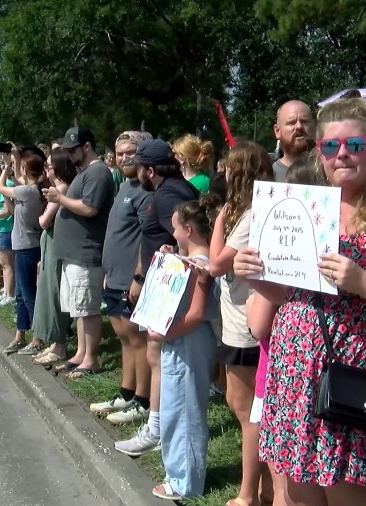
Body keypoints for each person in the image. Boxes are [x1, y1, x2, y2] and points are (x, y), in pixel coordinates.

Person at [233, 97, 366, 505]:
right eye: (330, 147)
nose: (342, 154)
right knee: (299, 498)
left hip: (355, 376)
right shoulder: (307, 210)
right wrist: (255, 276)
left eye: (354, 146)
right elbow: (291, 298)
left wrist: (363, 283)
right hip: (294, 374)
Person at [115, 139, 200, 457]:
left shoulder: (169, 195)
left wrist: (179, 257)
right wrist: (139, 278)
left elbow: (191, 238)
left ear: (150, 169)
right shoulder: (168, 191)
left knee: (160, 356)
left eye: (138, 166)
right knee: (158, 355)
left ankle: (158, 428)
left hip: (172, 287)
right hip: (162, 283)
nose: (135, 171)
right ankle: (159, 426)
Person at [206, 141, 275, 506]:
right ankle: (260, 488)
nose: (223, 173)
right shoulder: (249, 211)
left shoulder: (251, 215)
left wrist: (220, 217)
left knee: (247, 409)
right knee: (241, 403)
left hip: (247, 324)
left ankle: (249, 494)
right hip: (237, 320)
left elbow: (217, 263)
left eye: (229, 168)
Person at [147, 197, 220, 501]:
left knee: (185, 408)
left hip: (188, 340)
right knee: (176, 403)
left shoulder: (199, 266)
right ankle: (180, 470)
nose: (172, 234)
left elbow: (197, 313)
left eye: (175, 229)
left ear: (188, 229)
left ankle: (185, 480)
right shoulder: (194, 260)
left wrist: (164, 333)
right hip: (183, 339)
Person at [89, 131, 154, 424]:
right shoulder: (123, 187)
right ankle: (127, 393)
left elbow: (148, 238)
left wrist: (138, 278)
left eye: (131, 152)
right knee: (124, 339)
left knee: (137, 339)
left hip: (132, 281)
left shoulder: (145, 191)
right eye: (120, 152)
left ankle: (143, 400)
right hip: (113, 278)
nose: (124, 157)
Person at [43, 127, 115, 378]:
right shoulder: (86, 172)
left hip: (86, 253)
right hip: (73, 254)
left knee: (88, 308)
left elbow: (89, 208)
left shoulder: (97, 172)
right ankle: (81, 354)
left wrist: (59, 199)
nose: (70, 154)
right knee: (78, 308)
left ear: (87, 147)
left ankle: (91, 359)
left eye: (73, 149)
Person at [0, 152, 48, 354]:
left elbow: (1, 186)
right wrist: (15, 161)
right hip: (22, 245)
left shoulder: (29, 190)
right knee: (20, 294)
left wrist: (4, 170)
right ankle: (20, 334)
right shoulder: (31, 190)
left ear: (27, 170)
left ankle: (38, 338)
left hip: (28, 247)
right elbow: (11, 208)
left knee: (29, 295)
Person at [29, 149, 77, 362]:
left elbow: (43, 220)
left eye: (49, 165)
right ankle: (54, 342)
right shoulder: (57, 188)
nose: (46, 169)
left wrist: (42, 213)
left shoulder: (62, 188)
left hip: (57, 243)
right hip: (50, 243)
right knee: (49, 292)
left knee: (55, 293)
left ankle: (59, 345)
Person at [272, 100, 314, 182]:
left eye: (304, 121)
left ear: (314, 127)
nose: (299, 126)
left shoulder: (327, 174)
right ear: (277, 131)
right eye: (291, 122)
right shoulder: (266, 176)